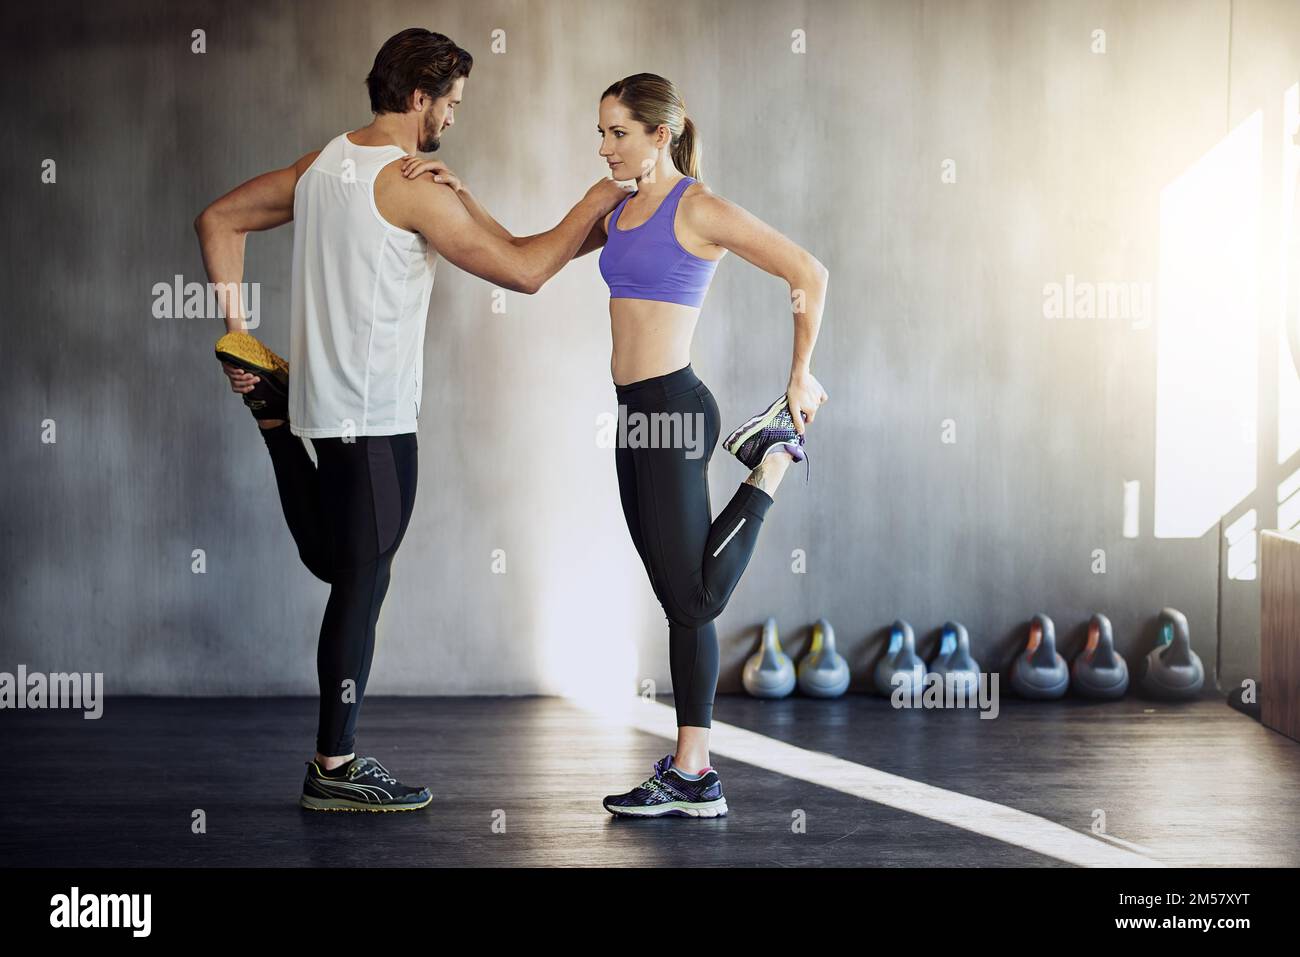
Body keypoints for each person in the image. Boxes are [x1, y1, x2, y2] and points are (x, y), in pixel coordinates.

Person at [194, 27, 629, 812]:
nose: (454, 119)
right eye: (451, 104)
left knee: (344, 564)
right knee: (358, 581)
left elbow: (217, 219)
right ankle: (334, 764)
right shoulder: (406, 184)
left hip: (325, 412)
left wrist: (236, 331)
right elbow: (527, 269)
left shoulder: (324, 165)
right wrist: (596, 205)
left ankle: (274, 420)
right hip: (380, 419)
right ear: (419, 98)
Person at [404, 71, 829, 818]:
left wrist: (800, 375)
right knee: (678, 596)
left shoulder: (698, 209)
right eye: (600, 132)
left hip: (675, 407)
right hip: (635, 411)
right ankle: (689, 771)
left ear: (660, 134)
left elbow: (807, 272)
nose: (603, 147)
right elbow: (528, 263)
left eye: (617, 133)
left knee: (692, 596)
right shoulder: (612, 203)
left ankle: (770, 461)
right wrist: (460, 198)